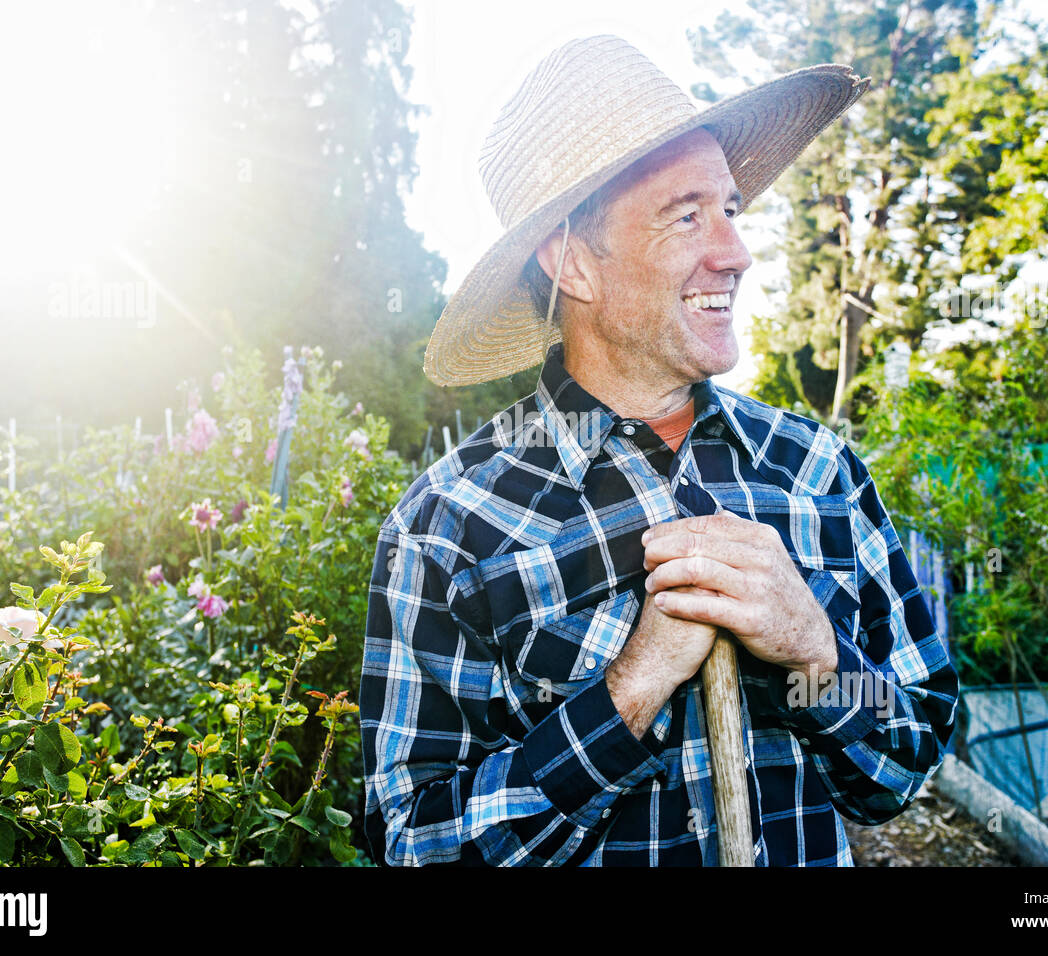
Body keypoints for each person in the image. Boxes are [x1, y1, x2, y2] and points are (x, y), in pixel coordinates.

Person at [359, 34, 959, 866]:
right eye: (687, 215)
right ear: (573, 264)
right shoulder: (449, 525)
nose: (736, 252)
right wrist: (629, 689)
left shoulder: (818, 472)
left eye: (731, 210)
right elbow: (414, 842)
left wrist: (816, 651)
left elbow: (907, 761)